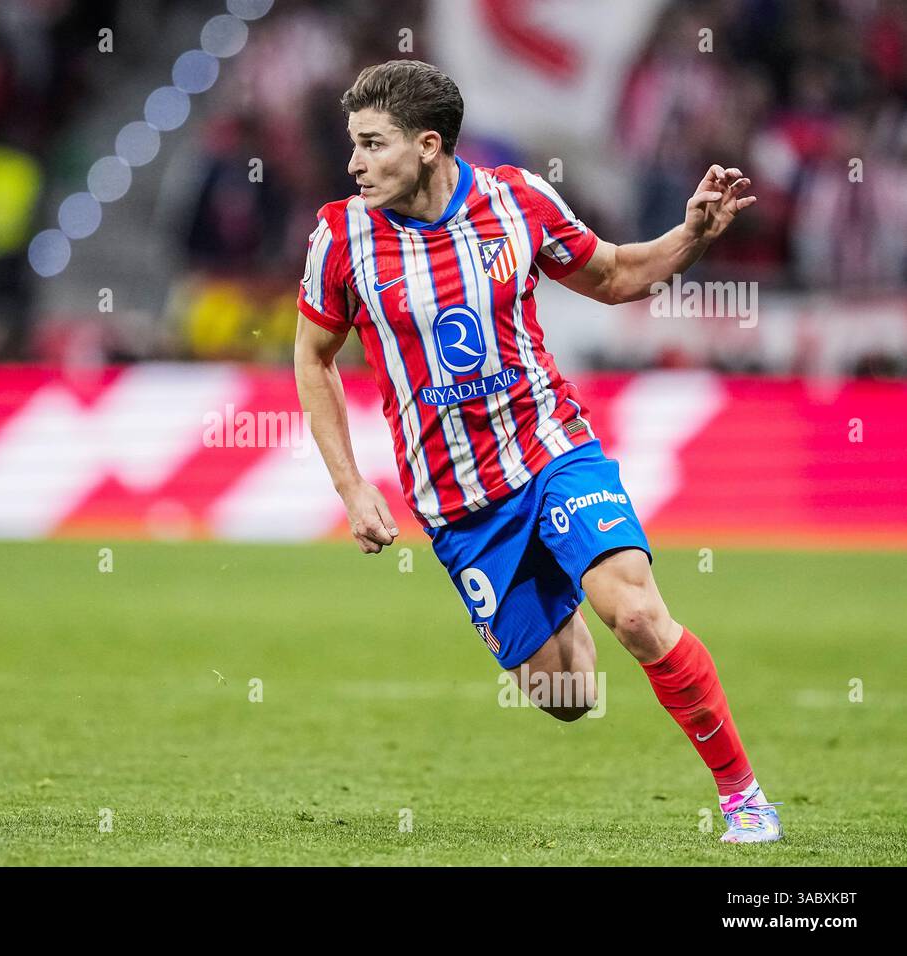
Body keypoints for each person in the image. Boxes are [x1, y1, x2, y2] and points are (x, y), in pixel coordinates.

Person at [293, 60, 781, 843]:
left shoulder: (516, 200)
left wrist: (689, 234)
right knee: (568, 697)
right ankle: (559, 578)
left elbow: (616, 273)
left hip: (551, 445)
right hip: (457, 501)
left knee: (635, 614)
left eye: (370, 144)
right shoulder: (341, 235)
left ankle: (744, 798)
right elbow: (313, 359)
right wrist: (352, 488)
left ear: (426, 145)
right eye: (352, 144)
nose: (352, 163)